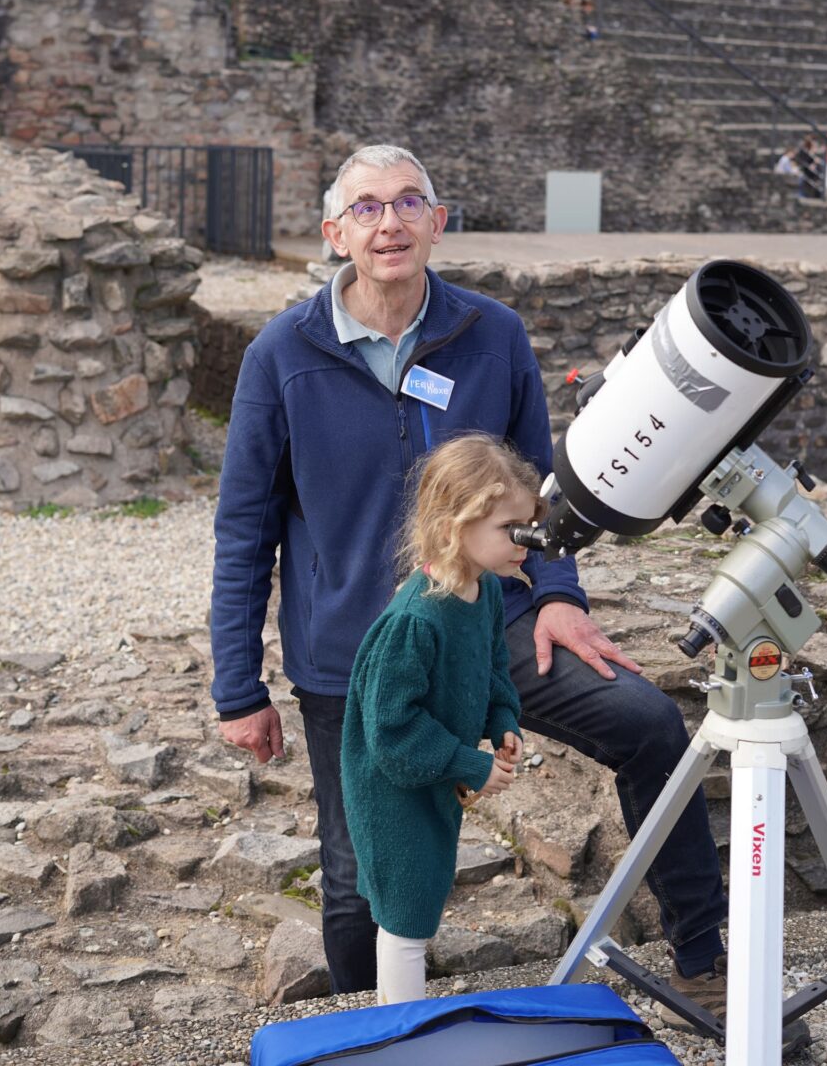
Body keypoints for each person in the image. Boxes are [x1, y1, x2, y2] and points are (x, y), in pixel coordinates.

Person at [210, 143, 727, 1011]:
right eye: (368, 207)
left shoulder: (493, 335)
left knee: (648, 725)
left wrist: (559, 594)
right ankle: (371, 1027)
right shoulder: (280, 355)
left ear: (438, 223)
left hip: (495, 624)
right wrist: (238, 686)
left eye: (411, 202)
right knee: (354, 878)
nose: (392, 222)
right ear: (336, 234)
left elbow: (543, 491)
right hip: (354, 654)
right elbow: (244, 528)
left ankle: (706, 963)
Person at [341, 434, 532, 1005]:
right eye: (509, 529)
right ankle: (400, 1029)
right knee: (407, 914)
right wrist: (471, 763)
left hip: (432, 777)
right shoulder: (417, 619)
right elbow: (391, 730)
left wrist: (504, 720)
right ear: (454, 525)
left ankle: (405, 1023)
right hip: (392, 787)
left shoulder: (487, 591)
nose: (526, 540)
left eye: (527, 525)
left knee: (423, 896)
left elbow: (495, 669)